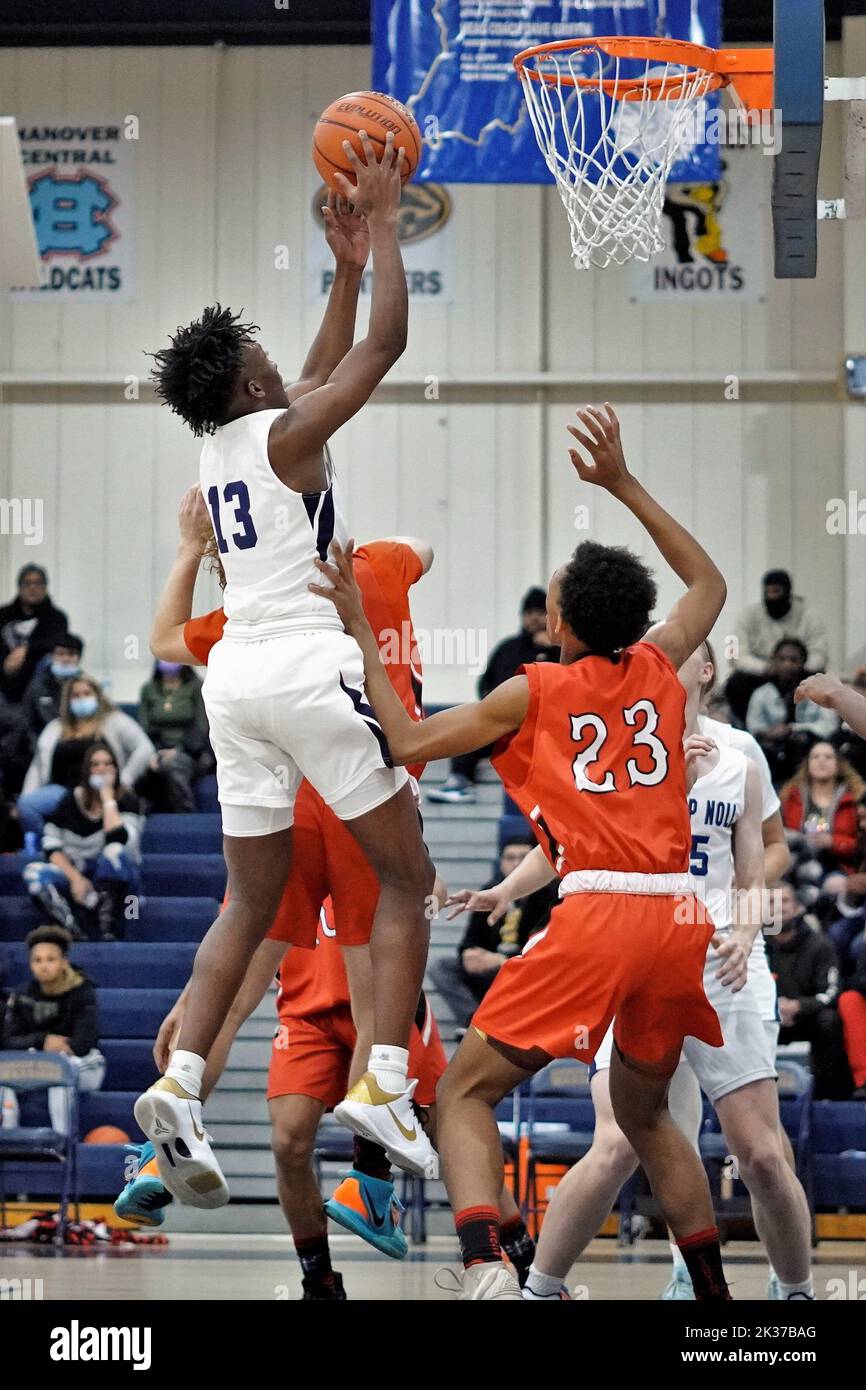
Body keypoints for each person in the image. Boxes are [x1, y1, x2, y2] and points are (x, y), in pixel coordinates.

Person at [313, 402, 735, 1302]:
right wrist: (622, 483)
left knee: (463, 1093)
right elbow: (709, 582)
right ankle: (721, 1309)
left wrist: (359, 629)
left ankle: (484, 1267)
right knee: (648, 1113)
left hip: (600, 911)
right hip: (679, 914)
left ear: (558, 617)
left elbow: (409, 741)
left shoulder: (532, 689)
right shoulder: (663, 663)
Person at [136, 143, 440, 1197]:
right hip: (313, 668)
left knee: (248, 901)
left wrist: (345, 268)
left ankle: (180, 1080)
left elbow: (310, 375)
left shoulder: (224, 447)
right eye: (265, 359)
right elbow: (383, 349)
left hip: (236, 690)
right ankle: (385, 1079)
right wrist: (389, 222)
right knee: (407, 873)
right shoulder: (288, 432)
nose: (281, 365)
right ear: (252, 382)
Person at [514, 645, 814, 1304]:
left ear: (706, 669)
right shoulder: (620, 750)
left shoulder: (738, 757)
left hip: (722, 960)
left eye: (677, 655)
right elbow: (574, 843)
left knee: (760, 1152)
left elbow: (760, 860)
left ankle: (794, 1293)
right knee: (623, 1141)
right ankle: (544, 1286)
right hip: (642, 952)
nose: (655, 666)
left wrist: (744, 930)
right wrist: (504, 891)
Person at [427, 588, 558, 805]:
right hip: (506, 722)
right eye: (529, 613)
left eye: (540, 612)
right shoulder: (507, 649)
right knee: (470, 729)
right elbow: (485, 682)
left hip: (542, 726)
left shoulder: (559, 649)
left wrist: (551, 649)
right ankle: (460, 780)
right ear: (523, 616)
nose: (535, 618)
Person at [23, 742, 143, 942]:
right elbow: (51, 846)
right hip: (76, 871)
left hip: (118, 879)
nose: (102, 769)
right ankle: (72, 931)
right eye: (95, 764)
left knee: (114, 853)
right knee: (34, 873)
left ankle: (108, 928)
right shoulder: (70, 800)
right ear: (87, 770)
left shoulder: (127, 799)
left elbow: (121, 840)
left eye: (108, 764)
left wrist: (107, 798)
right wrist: (75, 878)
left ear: (116, 768)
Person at [434, 839, 557, 1030]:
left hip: (527, 967)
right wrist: (468, 955)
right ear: (500, 862)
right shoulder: (490, 889)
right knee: (441, 967)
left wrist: (502, 958)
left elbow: (549, 946)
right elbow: (469, 941)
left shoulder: (551, 893)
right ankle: (473, 1023)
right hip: (492, 970)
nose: (516, 863)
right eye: (510, 858)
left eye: (523, 858)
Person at [18, 673, 155, 836]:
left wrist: (124, 780)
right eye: (75, 695)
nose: (81, 699)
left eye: (87, 694)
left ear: (97, 696)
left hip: (102, 786)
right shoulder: (55, 728)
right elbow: (38, 766)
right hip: (63, 790)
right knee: (26, 805)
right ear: (67, 701)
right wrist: (26, 795)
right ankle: (48, 844)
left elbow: (145, 748)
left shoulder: (115, 721)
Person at [0, 925, 104, 1133]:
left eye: (50, 959)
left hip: (84, 1064)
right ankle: (8, 1135)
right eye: (37, 960)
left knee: (60, 1074)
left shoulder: (83, 991)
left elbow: (83, 1044)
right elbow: (7, 1041)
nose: (44, 966)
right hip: (37, 1064)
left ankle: (63, 1141)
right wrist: (42, 1040)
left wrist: (49, 1050)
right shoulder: (23, 995)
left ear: (64, 961)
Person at [765, 882, 850, 1100]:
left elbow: (831, 992)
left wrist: (799, 1007)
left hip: (805, 1019)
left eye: (784, 901)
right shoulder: (755, 946)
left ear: (797, 907)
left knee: (828, 1021)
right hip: (765, 1018)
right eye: (771, 901)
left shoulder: (819, 945)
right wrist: (771, 1009)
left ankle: (828, 1098)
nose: (779, 907)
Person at [726, 570, 829, 725]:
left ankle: (805, 728)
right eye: (768, 592)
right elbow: (734, 654)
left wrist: (794, 666)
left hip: (799, 673)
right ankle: (748, 730)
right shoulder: (747, 615)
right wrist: (769, 667)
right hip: (762, 673)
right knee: (735, 684)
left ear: (788, 592)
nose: (772, 597)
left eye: (776, 591)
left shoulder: (809, 616)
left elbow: (820, 654)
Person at [781, 742, 865, 904]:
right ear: (807, 764)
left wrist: (833, 842)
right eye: (815, 756)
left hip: (838, 867)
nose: (821, 761)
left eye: (828, 757)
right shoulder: (790, 796)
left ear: (839, 764)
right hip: (794, 864)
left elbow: (860, 846)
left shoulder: (855, 798)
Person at [746, 638, 838, 785]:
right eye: (781, 659)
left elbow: (829, 725)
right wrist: (767, 733)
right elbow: (752, 727)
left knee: (801, 740)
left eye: (793, 660)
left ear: (803, 663)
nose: (787, 665)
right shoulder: (761, 693)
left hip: (807, 747)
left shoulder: (817, 690)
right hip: (774, 750)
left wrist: (792, 729)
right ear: (774, 661)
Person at [136, 661, 212, 812]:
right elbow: (143, 728)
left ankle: (186, 816)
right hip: (156, 749)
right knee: (141, 766)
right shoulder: (148, 689)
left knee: (173, 765)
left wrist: (178, 750)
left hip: (192, 750)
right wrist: (154, 753)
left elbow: (202, 727)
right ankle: (142, 817)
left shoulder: (196, 686)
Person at [0, 565, 69, 704]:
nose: (32, 588)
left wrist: (27, 650)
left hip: (40, 688)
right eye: (27, 583)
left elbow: (57, 642)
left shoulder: (57, 618)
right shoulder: (3, 615)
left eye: (38, 583)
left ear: (45, 587)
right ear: (19, 587)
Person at [20, 634, 85, 744]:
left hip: (80, 743)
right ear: (51, 656)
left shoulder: (87, 686)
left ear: (78, 658)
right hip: (44, 744)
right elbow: (28, 724)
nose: (65, 659)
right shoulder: (37, 686)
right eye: (60, 654)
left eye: (71, 654)